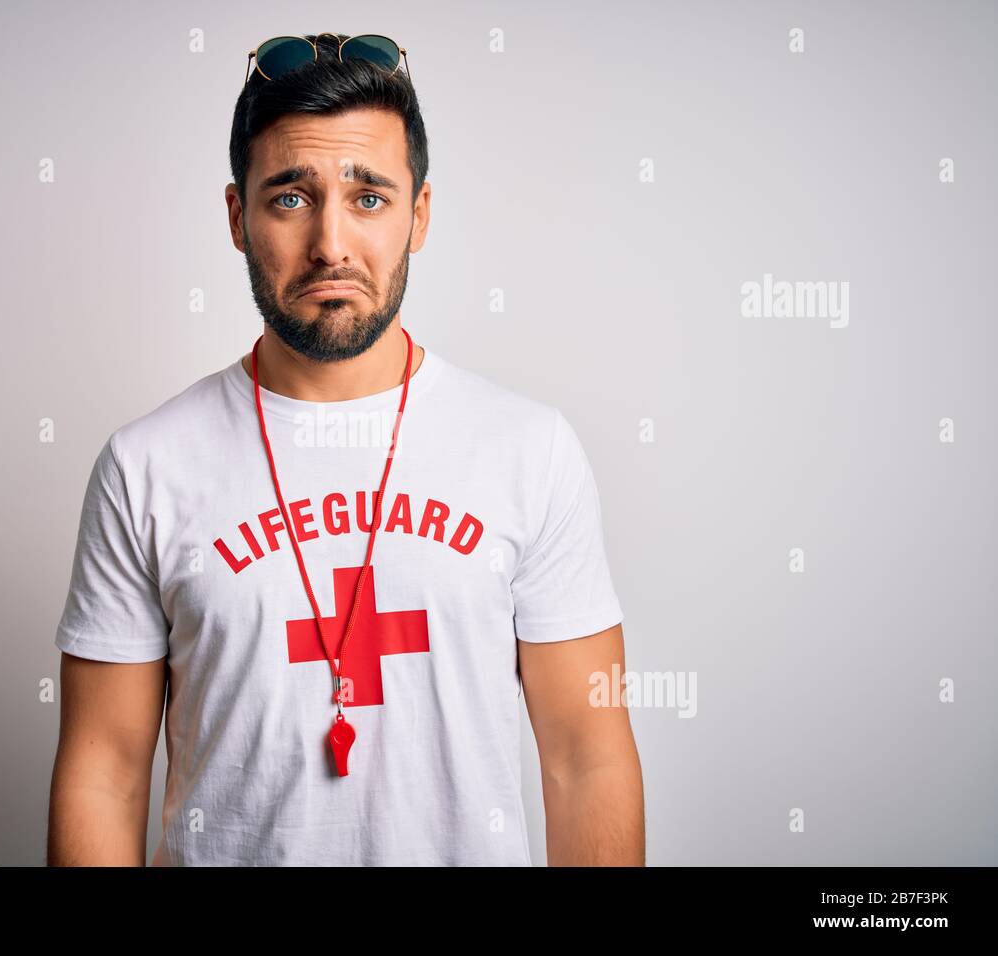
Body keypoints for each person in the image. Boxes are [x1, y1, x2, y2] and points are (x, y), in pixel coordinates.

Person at [46, 32, 644, 866]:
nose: (331, 242)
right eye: (291, 197)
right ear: (236, 216)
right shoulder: (145, 467)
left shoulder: (528, 450)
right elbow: (103, 772)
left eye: (369, 198)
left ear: (419, 216)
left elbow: (587, 758)